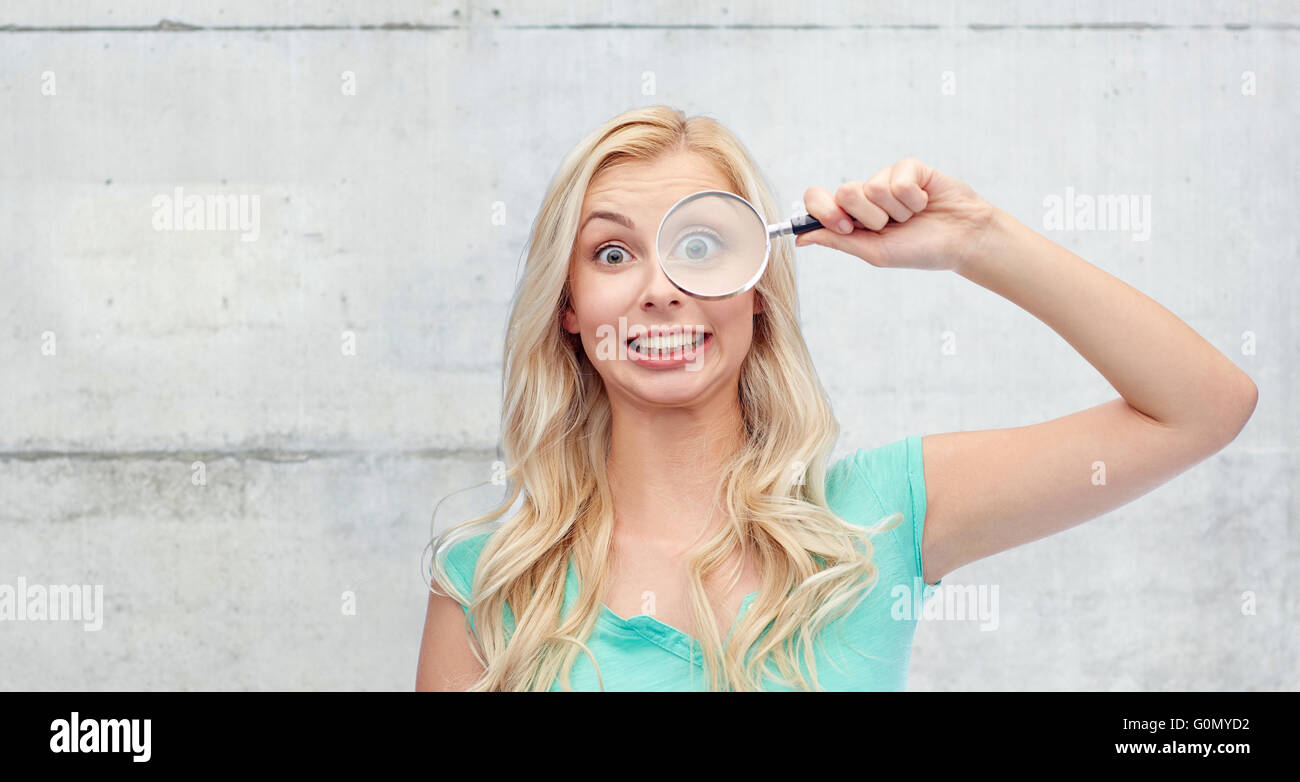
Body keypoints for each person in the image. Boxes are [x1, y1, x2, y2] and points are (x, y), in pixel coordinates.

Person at [415, 105, 1257, 692]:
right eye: (610, 255)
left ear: (756, 288)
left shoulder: (880, 520)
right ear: (568, 308)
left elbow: (1201, 406)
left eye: (701, 244)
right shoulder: (488, 582)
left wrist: (976, 240)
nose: (660, 288)